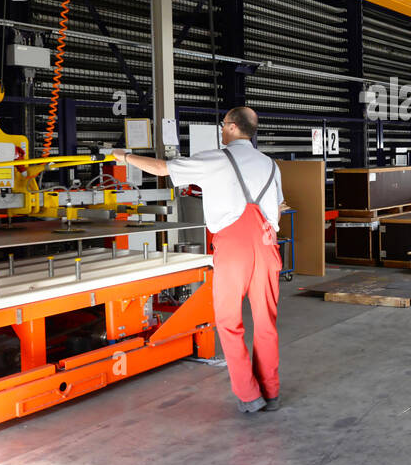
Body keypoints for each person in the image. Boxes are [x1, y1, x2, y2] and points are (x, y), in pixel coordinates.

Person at [113, 106, 285, 413]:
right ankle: (271, 392)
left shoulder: (216, 159)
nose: (221, 129)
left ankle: (249, 394)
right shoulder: (270, 164)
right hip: (267, 243)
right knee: (265, 323)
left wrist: (124, 157)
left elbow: (164, 169)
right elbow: (279, 206)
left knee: (229, 323)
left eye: (223, 125)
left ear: (232, 127)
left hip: (234, 249)